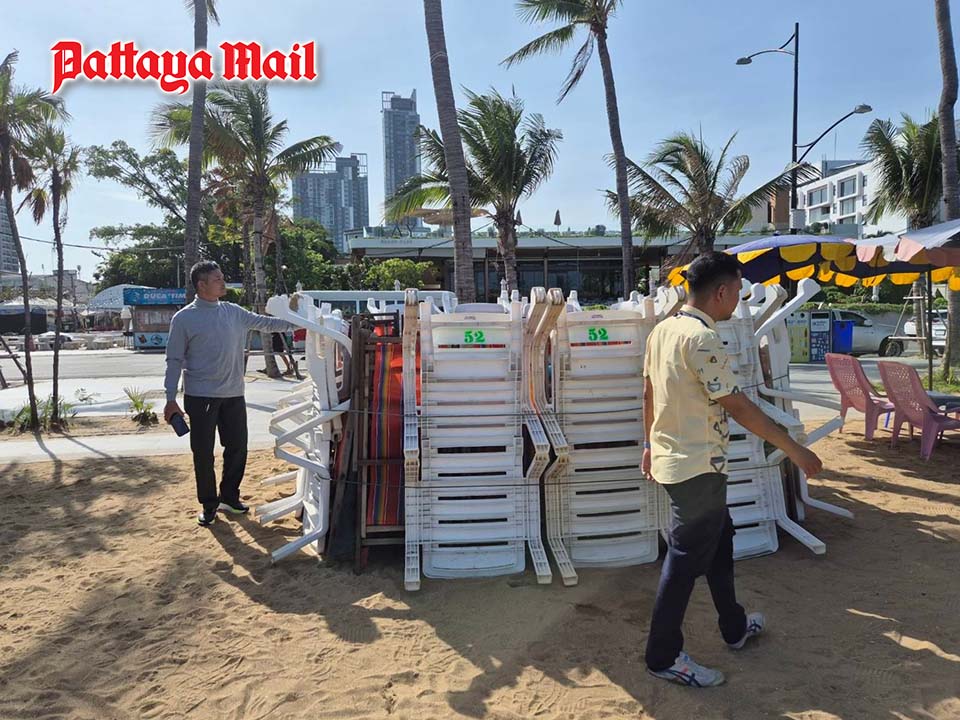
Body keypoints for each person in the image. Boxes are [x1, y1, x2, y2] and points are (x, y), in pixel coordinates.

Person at [642, 252, 823, 688]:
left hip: (676, 460)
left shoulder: (663, 330)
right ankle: (662, 655)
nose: (738, 299)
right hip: (698, 467)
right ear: (721, 292)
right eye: (738, 292)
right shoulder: (702, 340)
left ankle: (734, 627)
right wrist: (795, 450)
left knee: (720, 541)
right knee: (684, 561)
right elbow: (738, 406)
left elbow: (648, 391)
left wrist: (649, 444)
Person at [163, 260, 295, 527]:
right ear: (201, 285)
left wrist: (299, 320)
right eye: (217, 279)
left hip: (234, 394)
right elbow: (174, 359)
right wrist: (169, 399)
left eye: (222, 277)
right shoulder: (185, 318)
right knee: (203, 452)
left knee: (237, 448)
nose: (223, 282)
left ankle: (229, 496)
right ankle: (209, 504)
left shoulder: (233, 311)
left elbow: (265, 323)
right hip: (201, 396)